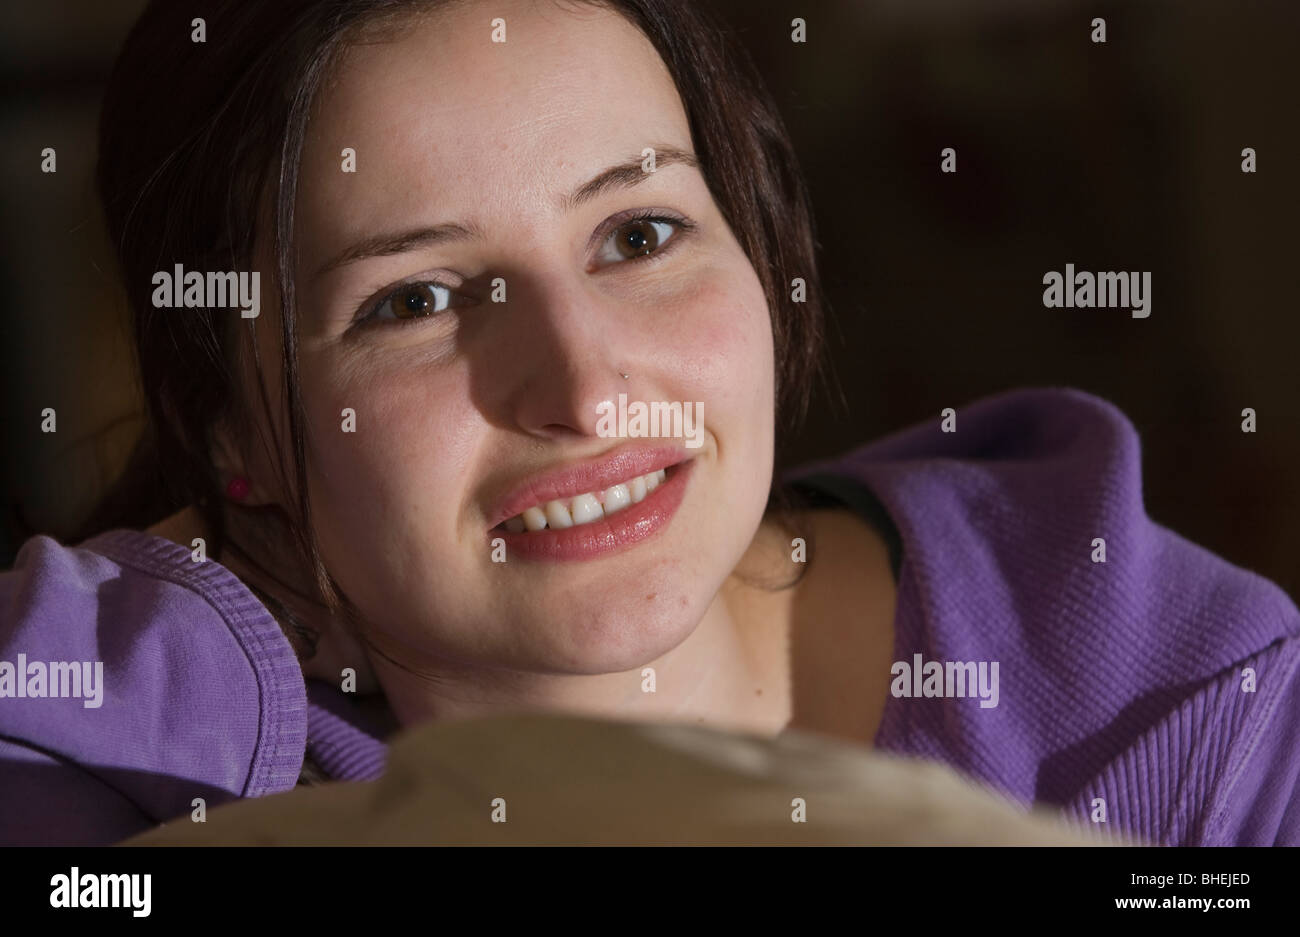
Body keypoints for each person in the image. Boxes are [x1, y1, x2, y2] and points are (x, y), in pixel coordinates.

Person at [1, 0, 1296, 847]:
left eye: (639, 231)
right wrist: (172, 622)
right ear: (232, 421)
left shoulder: (1179, 704)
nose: (581, 387)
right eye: (414, 298)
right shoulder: (167, 733)